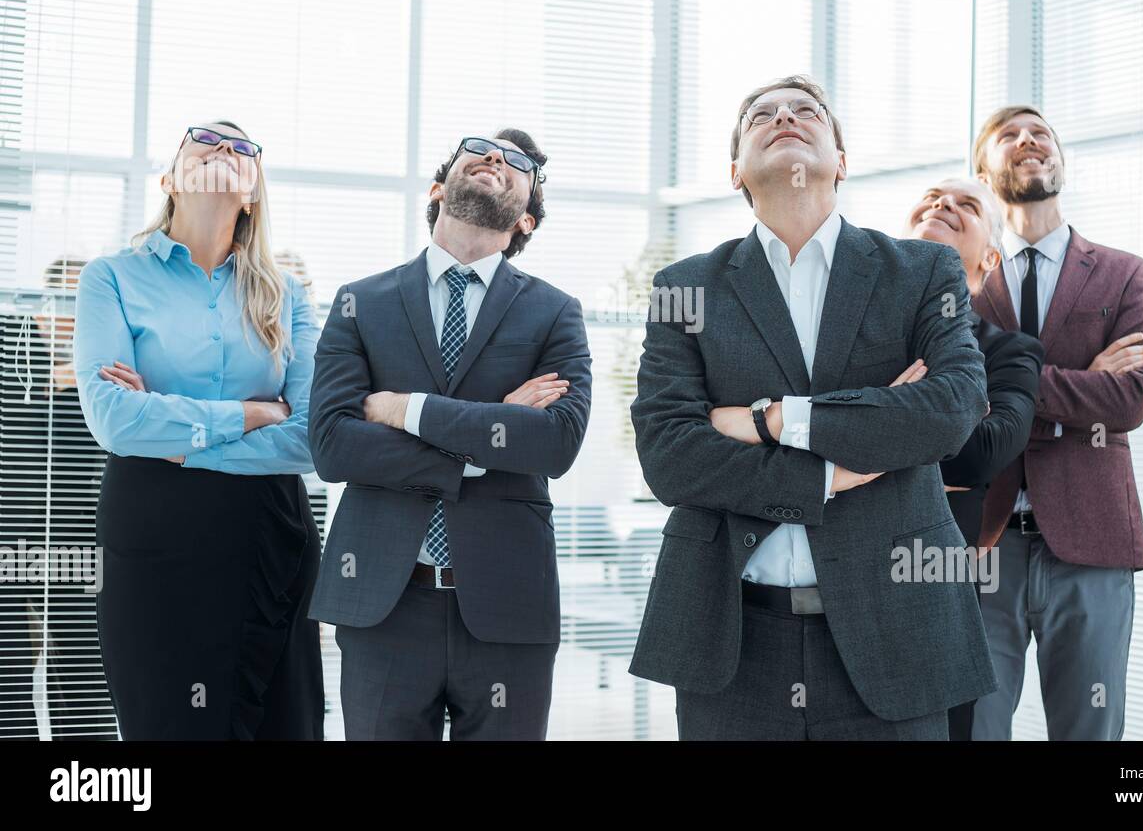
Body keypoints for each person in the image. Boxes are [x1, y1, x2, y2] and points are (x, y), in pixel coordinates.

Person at [629, 75, 995, 740]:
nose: (784, 117)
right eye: (761, 115)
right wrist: (828, 473)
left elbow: (952, 406)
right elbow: (670, 457)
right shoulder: (684, 288)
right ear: (736, 169)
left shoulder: (922, 272)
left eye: (806, 112)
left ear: (842, 161)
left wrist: (772, 421)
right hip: (735, 641)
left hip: (898, 635)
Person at [309, 129, 591, 741]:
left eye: (518, 165)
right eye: (481, 150)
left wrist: (407, 410)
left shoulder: (556, 312)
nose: (496, 159)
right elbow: (332, 444)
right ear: (439, 189)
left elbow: (556, 444)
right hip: (384, 602)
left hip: (507, 605)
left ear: (526, 221)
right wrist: (490, 432)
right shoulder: (360, 302)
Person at [73, 121, 324, 740]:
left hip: (270, 532)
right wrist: (252, 413)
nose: (225, 150)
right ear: (169, 180)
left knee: (282, 722)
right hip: (155, 531)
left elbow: (313, 433)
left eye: (243, 148)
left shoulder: (286, 295)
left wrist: (178, 435)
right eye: (206, 140)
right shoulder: (110, 278)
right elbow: (114, 419)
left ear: (253, 191)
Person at [968, 105, 1143, 740]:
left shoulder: (1125, 273)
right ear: (983, 169)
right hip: (982, 548)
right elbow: (956, 400)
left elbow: (1129, 401)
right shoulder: (963, 286)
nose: (1028, 141)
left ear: (1060, 159)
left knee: (1090, 732)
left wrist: (1011, 391)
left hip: (1094, 543)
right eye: (1008, 136)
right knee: (971, 729)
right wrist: (1083, 382)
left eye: (1041, 132)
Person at [904, 179, 1046, 740]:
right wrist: (941, 412)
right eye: (935, 198)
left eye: (967, 206)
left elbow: (979, 456)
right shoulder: (851, 336)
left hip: (938, 596)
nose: (943, 206)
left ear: (991, 257)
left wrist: (881, 411)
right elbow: (813, 432)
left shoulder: (1011, 352)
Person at [0, 257, 116, 739]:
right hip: (10, 534)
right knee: (9, 664)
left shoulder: (103, 361)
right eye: (69, 303)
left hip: (75, 540)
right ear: (44, 307)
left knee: (84, 665)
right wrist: (53, 380)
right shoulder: (14, 345)